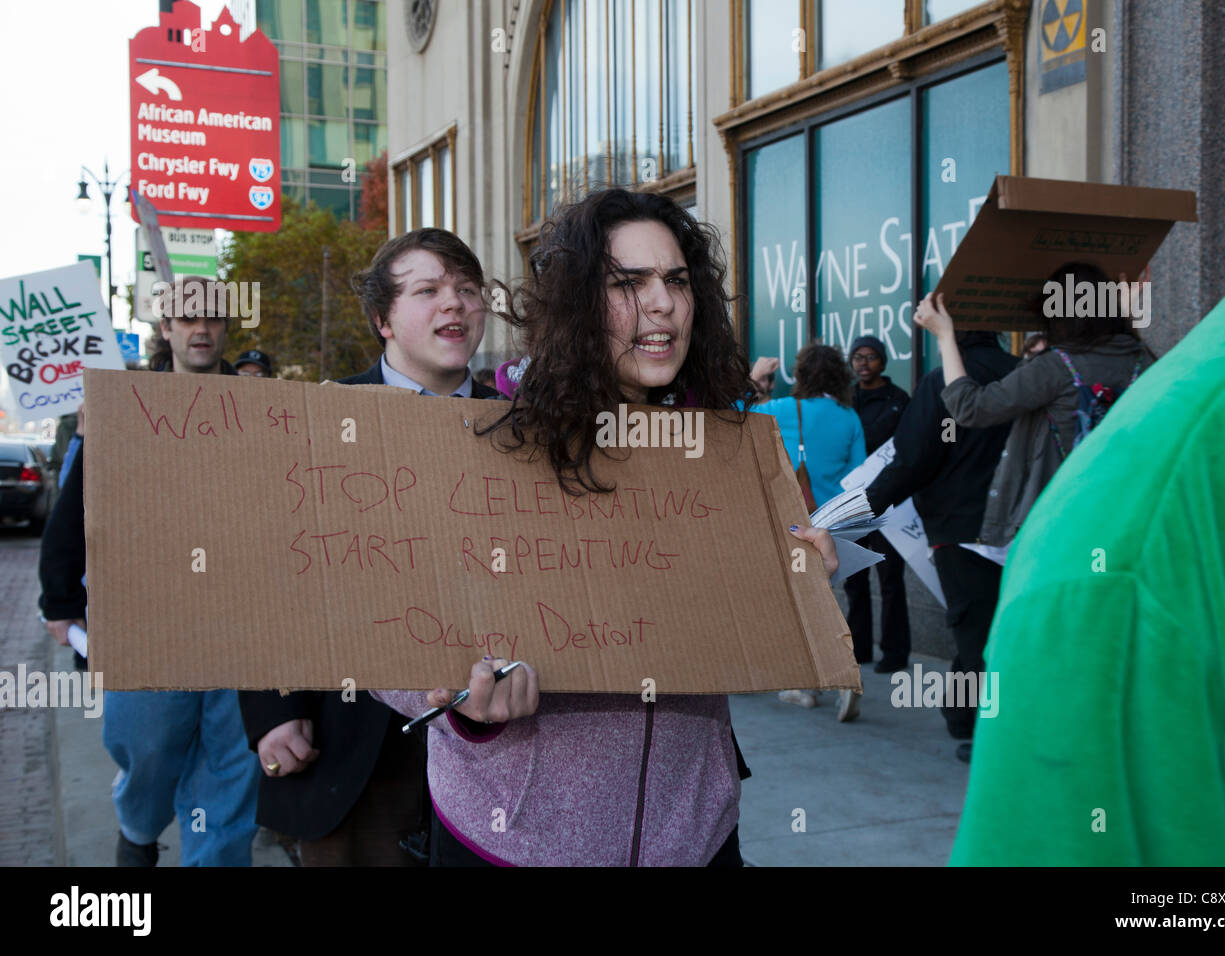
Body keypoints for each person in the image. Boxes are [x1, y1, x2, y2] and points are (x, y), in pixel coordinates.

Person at [372, 188, 838, 866]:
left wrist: (801, 593)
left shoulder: (725, 453)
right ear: (577, 304)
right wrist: (458, 696)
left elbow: (748, 631)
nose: (662, 303)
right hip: (513, 842)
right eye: (629, 283)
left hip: (695, 839)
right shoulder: (490, 436)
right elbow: (383, 622)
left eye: (677, 280)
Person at [949, 18, 1225, 865]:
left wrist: (945, 339)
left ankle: (964, 733)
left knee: (969, 635)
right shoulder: (1145, 370)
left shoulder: (1065, 375)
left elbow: (970, 406)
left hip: (1036, 520)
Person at [237, 228, 500, 866]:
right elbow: (268, 570)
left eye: (468, 290)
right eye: (428, 290)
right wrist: (275, 710)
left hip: (495, 748)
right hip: (352, 746)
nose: (455, 305)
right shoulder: (319, 419)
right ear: (382, 318)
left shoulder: (520, 423)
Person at [39, 277, 261, 866]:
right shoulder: (124, 409)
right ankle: (138, 829)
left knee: (229, 762)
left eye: (212, 319)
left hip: (239, 620)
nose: (201, 329)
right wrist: (60, 603)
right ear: (166, 329)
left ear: (225, 328)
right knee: (148, 747)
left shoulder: (263, 411)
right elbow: (74, 511)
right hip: (149, 621)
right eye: (187, 320)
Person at [915, 264, 1154, 551]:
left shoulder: (1057, 367)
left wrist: (945, 336)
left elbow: (970, 408)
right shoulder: (1144, 360)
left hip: (1063, 522)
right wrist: (1123, 315)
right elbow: (1115, 356)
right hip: (1130, 513)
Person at [863, 330, 1019, 759]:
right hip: (1020, 524)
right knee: (993, 625)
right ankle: (961, 713)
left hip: (958, 527)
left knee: (972, 630)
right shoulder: (1023, 375)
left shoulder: (940, 383)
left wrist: (865, 505)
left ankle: (985, 732)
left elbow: (913, 458)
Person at [751, 343, 865, 714]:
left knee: (795, 601)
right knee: (825, 595)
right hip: (836, 519)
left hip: (791, 520)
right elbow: (859, 473)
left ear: (800, 376)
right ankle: (844, 670)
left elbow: (733, 415)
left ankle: (805, 685)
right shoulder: (849, 416)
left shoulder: (778, 409)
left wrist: (755, 378)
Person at [845, 335, 912, 688]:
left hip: (888, 503)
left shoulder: (901, 400)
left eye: (871, 357)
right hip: (853, 503)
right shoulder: (846, 400)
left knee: (890, 580)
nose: (864, 363)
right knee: (855, 579)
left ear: (883, 362)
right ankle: (859, 649)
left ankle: (895, 652)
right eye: (858, 357)